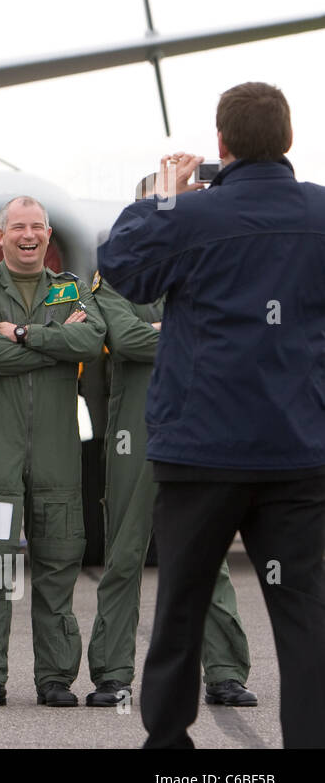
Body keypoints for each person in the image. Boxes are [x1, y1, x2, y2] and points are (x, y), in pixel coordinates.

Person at [98, 81, 325, 748]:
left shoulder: (192, 217)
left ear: (221, 145)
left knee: (181, 605)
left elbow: (122, 266)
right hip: (297, 450)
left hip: (202, 452)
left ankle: (169, 745)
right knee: (303, 611)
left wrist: (166, 196)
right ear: (287, 139)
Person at [0, 195, 105, 708]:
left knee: (58, 568)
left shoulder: (71, 289)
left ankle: (55, 680)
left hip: (57, 459)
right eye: (17, 227)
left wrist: (20, 335)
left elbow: (90, 343)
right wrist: (51, 345)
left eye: (37, 227)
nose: (28, 235)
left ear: (48, 235)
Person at [85, 275, 256, 708]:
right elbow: (125, 340)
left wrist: (166, 334)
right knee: (124, 554)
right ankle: (112, 674)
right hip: (135, 433)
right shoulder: (115, 283)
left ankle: (225, 673)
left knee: (208, 557)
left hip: (197, 429)